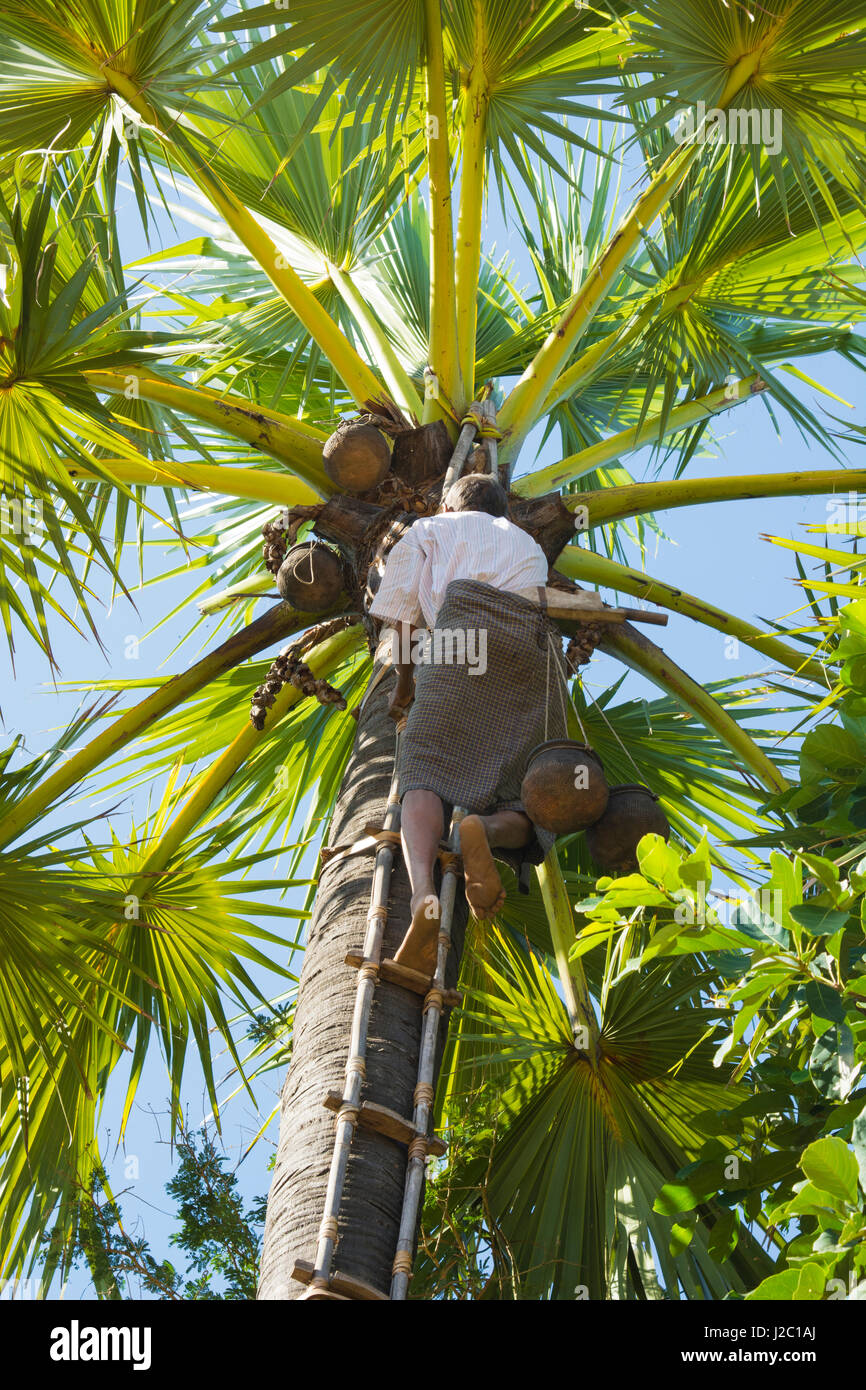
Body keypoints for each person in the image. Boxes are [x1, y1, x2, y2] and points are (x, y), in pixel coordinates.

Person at [369, 473, 567, 975]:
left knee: (423, 777)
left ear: (452, 502)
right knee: (528, 790)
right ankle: (483, 827)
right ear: (503, 510)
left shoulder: (428, 529)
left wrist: (404, 685)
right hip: (532, 654)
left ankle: (421, 898)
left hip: (462, 637)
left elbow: (404, 619)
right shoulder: (529, 545)